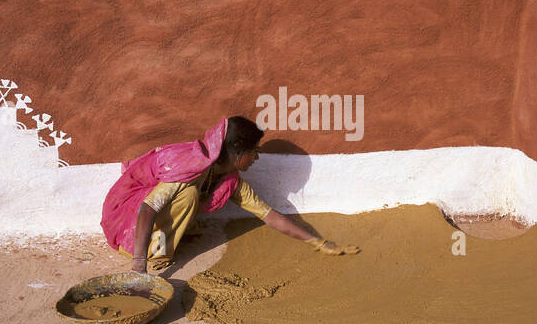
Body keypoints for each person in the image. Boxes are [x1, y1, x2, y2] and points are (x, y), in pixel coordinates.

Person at [101, 116, 360, 273]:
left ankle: (161, 243)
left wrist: (318, 242)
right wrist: (139, 265)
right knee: (188, 194)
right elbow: (147, 209)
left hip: (146, 220)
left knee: (189, 197)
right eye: (254, 151)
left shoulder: (231, 181)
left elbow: (269, 215)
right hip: (127, 224)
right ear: (237, 152)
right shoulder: (188, 169)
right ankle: (154, 253)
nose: (256, 157)